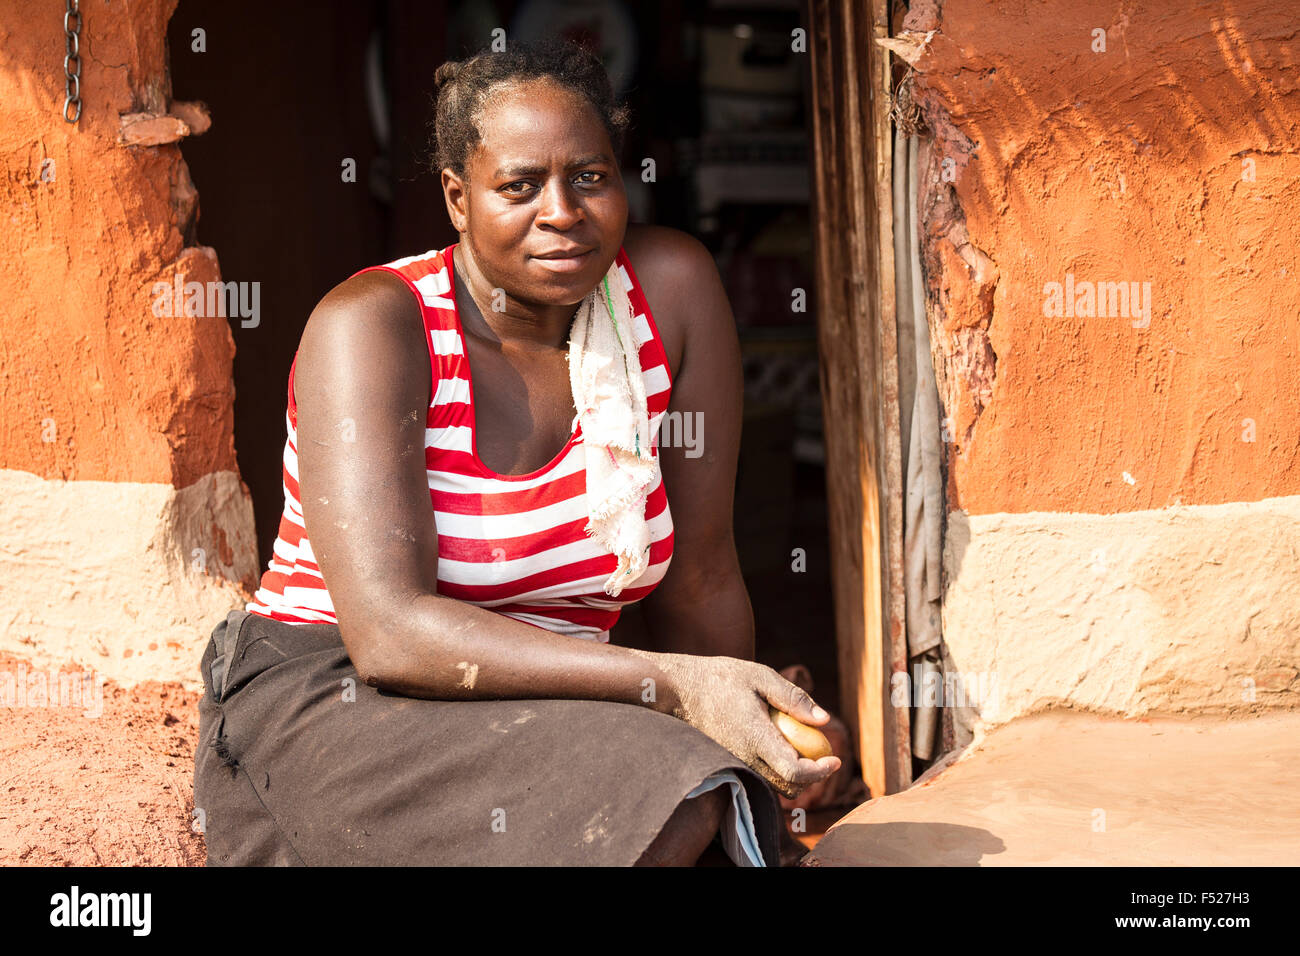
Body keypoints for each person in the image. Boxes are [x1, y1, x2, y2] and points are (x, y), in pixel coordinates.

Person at [193, 37, 839, 867]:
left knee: (706, 786)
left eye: (591, 177)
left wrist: (745, 706)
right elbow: (390, 633)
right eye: (520, 186)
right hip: (341, 687)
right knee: (663, 795)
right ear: (459, 199)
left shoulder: (670, 293)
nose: (563, 211)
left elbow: (702, 576)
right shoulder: (374, 327)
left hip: (557, 700)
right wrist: (679, 686)